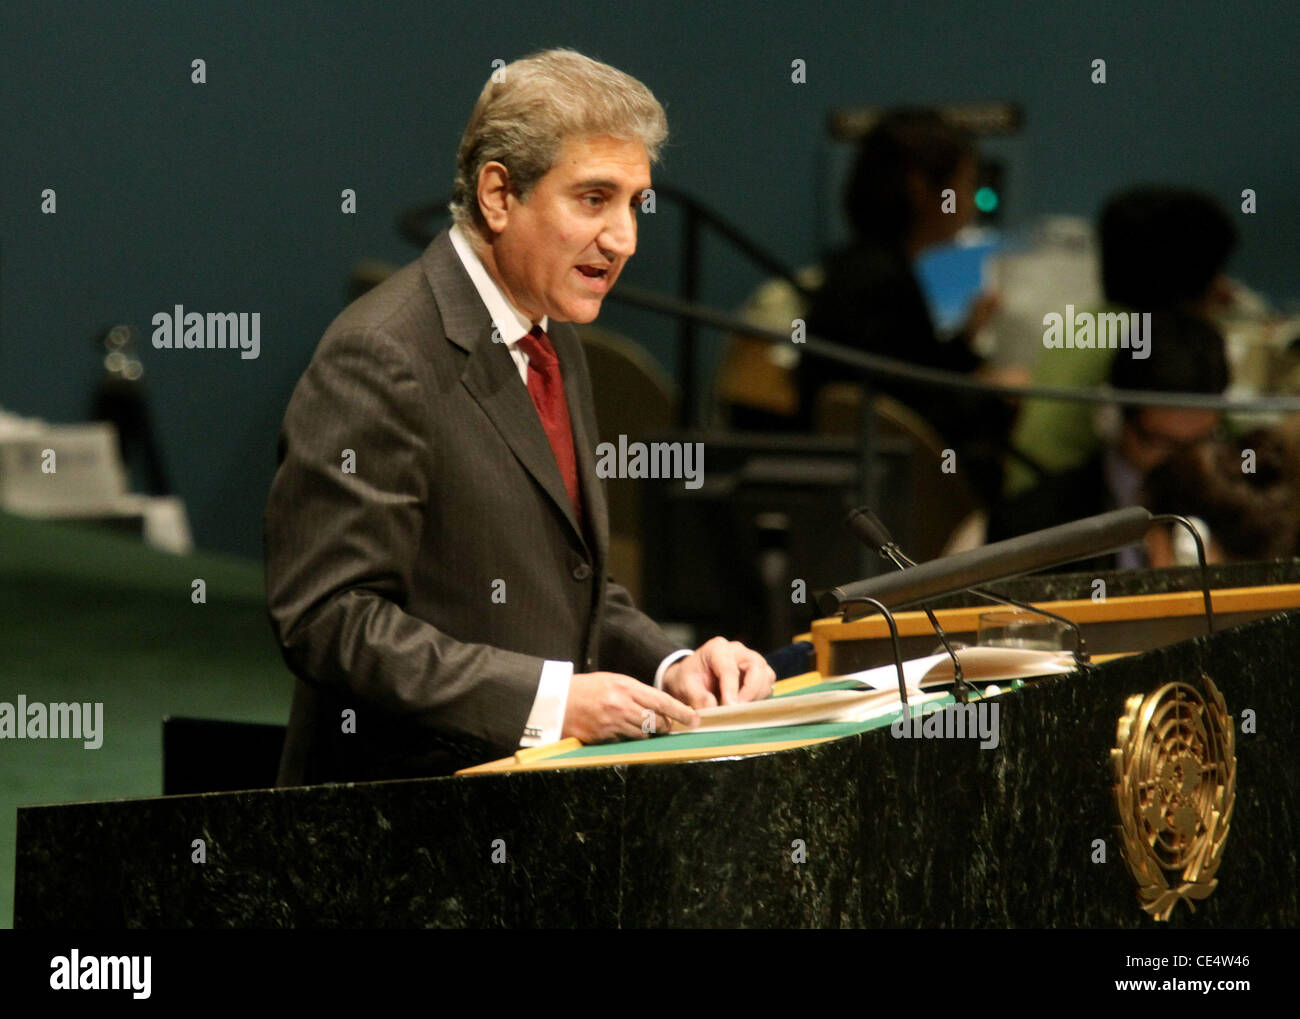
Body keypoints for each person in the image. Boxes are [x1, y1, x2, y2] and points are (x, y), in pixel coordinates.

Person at [265, 49, 775, 785]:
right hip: (399, 824)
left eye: (635, 203)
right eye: (594, 199)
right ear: (499, 195)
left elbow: (562, 582)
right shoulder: (380, 354)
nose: (624, 238)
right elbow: (329, 618)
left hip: (535, 817)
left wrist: (672, 664)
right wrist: (549, 701)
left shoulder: (553, 336)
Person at [797, 108, 1014, 502]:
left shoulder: (870, 269)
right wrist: (994, 395)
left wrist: (965, 343)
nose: (970, 204)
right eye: (963, 187)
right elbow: (912, 417)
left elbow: (910, 374)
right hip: (894, 499)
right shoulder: (880, 282)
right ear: (918, 188)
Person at [1003, 186, 1238, 498]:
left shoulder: (1085, 321)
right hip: (1075, 512)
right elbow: (1214, 431)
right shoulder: (1150, 342)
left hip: (1028, 494)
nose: (1221, 287)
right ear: (1189, 275)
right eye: (1214, 271)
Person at [986, 310, 1229, 571]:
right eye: (1158, 441)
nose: (1180, 460)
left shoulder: (1231, 512)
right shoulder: (1032, 528)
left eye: (1198, 442)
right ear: (1111, 418)